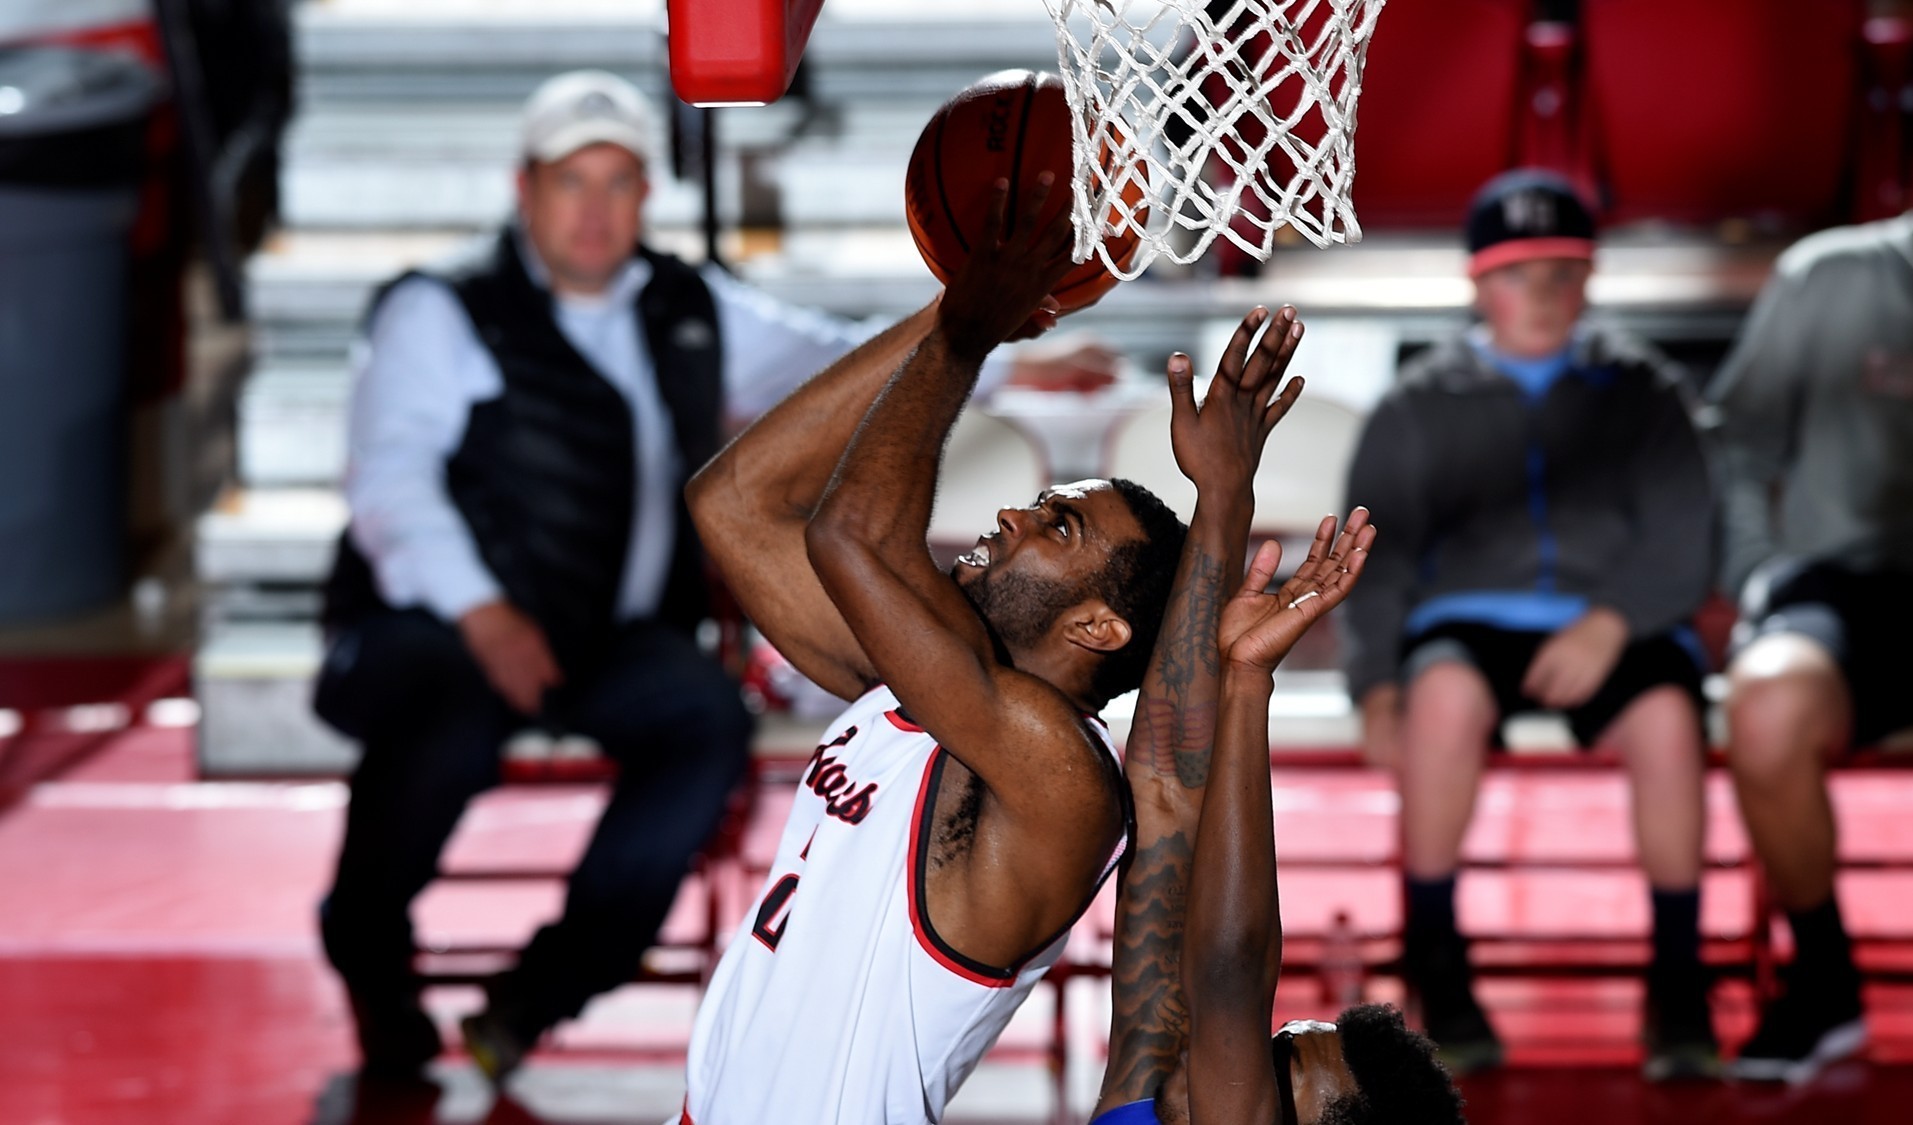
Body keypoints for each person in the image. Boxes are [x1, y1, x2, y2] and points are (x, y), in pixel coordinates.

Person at [311, 69, 1108, 1086]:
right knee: (444, 719)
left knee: (704, 723)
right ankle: (370, 956)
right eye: (572, 180)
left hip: (608, 639)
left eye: (619, 182)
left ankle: (539, 993)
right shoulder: (441, 308)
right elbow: (391, 488)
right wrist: (483, 613)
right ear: (525, 189)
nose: (596, 208)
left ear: (647, 194)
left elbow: (825, 366)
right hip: (441, 627)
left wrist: (995, 338)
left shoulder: (681, 304)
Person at [680, 175, 1192, 1123]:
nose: (1014, 515)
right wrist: (959, 308)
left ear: (1097, 627)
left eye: (1059, 526)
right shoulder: (906, 683)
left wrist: (968, 332)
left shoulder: (1059, 775)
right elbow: (735, 502)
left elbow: (850, 536)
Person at [1340, 169, 1718, 1078]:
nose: (1542, 295)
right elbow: (1377, 557)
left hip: (1617, 622)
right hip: (1468, 620)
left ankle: (1679, 974)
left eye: (1562, 273)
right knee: (1440, 699)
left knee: (1669, 719)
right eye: (1518, 274)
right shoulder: (1418, 401)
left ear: (1590, 279)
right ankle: (1438, 959)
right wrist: (1377, 685)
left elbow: (1687, 532)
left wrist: (1613, 620)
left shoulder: (1644, 390)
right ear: (1478, 282)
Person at [1086, 322, 1461, 1124]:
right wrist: (1223, 496)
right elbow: (1164, 790)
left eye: (1271, 1063)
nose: (1232, 1046)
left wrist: (1252, 683)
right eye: (1270, 1042)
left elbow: (1228, 972)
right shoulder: (1157, 1094)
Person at [1707, 60, 1913, 1085]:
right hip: (1836, 593)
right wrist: (1757, 578)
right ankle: (1823, 979)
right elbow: (1736, 442)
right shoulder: (1829, 276)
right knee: (1764, 705)